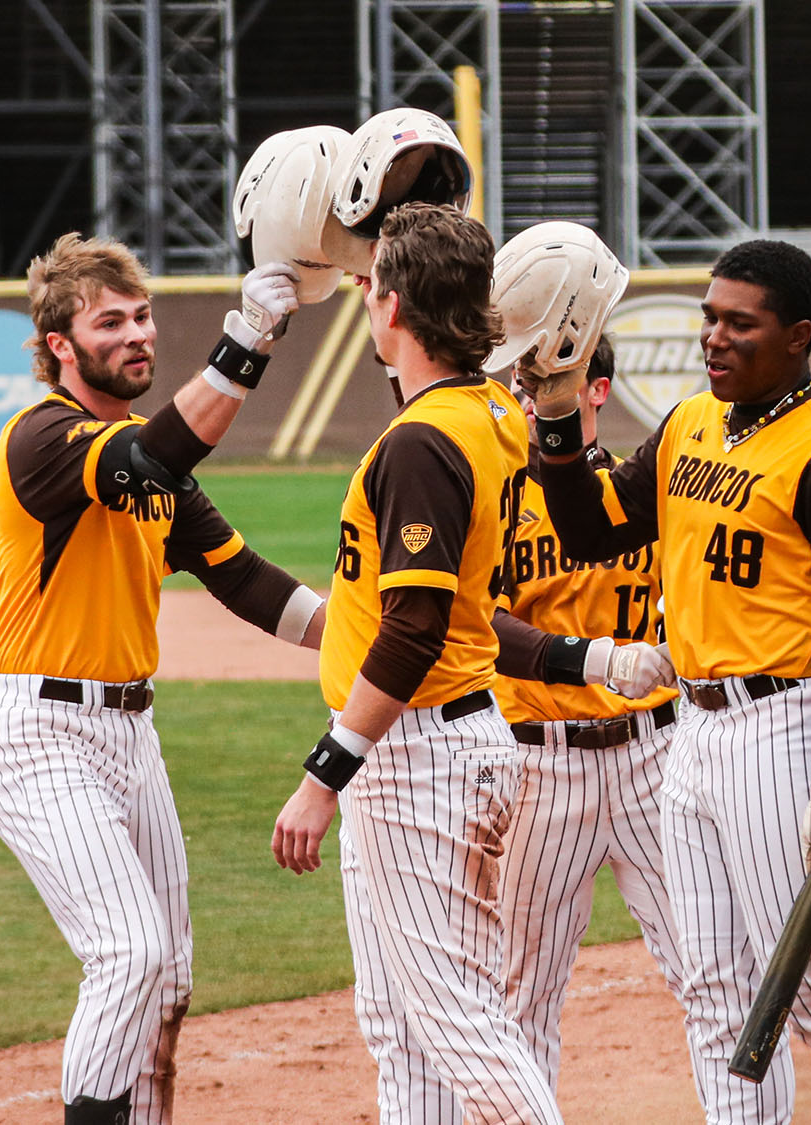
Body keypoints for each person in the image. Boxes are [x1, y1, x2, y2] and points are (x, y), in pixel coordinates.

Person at [519, 239, 811, 1123]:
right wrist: (557, 412)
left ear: (797, 335)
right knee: (715, 990)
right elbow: (593, 529)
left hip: (796, 725)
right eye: (708, 317)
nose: (713, 337)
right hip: (696, 731)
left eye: (738, 323)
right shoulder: (688, 425)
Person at [0, 232, 325, 1125]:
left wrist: (364, 641)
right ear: (60, 345)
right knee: (130, 951)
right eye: (110, 322)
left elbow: (245, 579)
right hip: (39, 735)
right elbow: (149, 459)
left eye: (143, 316)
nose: (137, 333)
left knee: (170, 974)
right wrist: (249, 337)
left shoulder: (155, 463)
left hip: (128, 734)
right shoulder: (43, 437)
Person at [268, 202, 563, 1125]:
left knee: (460, 1023)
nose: (364, 303)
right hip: (448, 738)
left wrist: (326, 772)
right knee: (403, 1026)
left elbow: (414, 626)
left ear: (394, 308)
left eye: (372, 291)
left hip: (418, 754)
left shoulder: (425, 440)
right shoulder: (486, 410)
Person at [477, 221, 698, 1100]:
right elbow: (473, 621)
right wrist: (588, 661)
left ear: (595, 386)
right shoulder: (495, 493)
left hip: (655, 757)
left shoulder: (641, 494)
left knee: (710, 967)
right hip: (540, 767)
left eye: (547, 377)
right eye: (523, 379)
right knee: (520, 996)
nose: (528, 395)